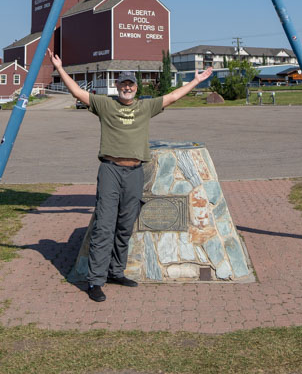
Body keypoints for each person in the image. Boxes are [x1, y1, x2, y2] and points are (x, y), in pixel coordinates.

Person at [48, 49, 212, 302]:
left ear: (136, 88)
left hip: (135, 172)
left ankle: (116, 272)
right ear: (117, 86)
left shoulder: (146, 107)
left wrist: (196, 81)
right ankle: (95, 281)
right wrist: (60, 69)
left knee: (125, 227)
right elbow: (78, 93)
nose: (127, 88)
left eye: (130, 84)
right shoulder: (105, 105)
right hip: (111, 171)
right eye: (123, 84)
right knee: (104, 226)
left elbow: (173, 96)